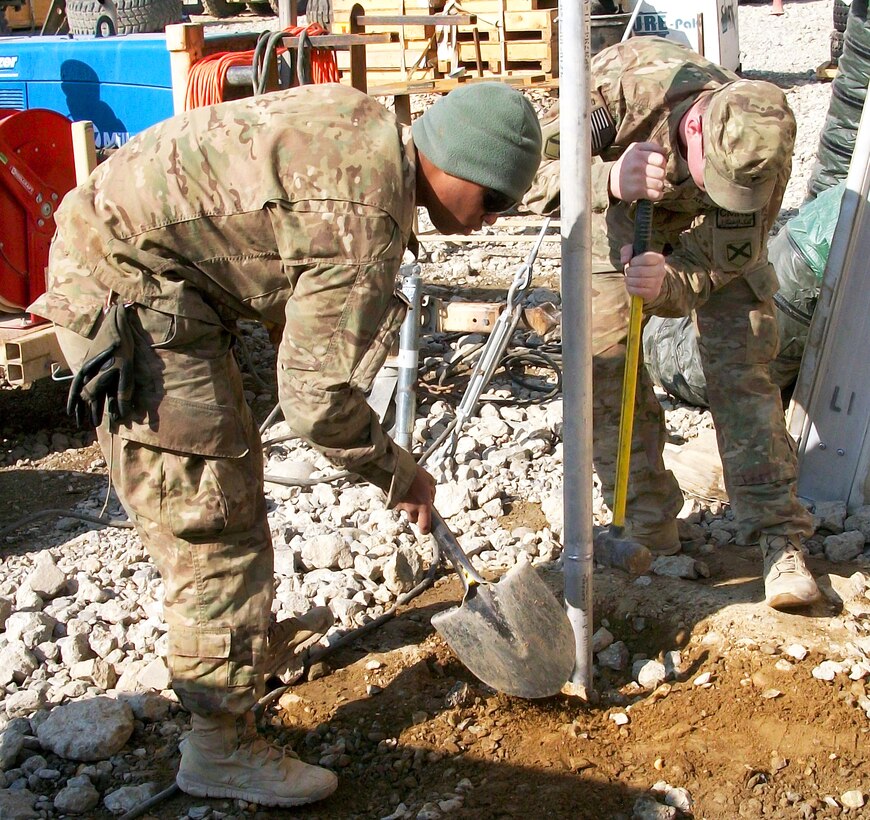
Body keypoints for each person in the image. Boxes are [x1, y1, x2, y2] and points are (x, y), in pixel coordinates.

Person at [31, 82, 542, 807]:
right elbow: (314, 404)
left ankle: (241, 641)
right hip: (127, 285)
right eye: (496, 202)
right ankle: (220, 745)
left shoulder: (371, 132)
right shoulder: (367, 220)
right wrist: (400, 475)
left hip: (155, 264)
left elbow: (272, 246)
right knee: (210, 519)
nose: (495, 222)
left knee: (231, 466)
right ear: (459, 164)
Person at [525, 37, 820, 611]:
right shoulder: (618, 92)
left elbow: (733, 247)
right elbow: (522, 172)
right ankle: (647, 530)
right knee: (604, 368)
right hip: (617, 217)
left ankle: (780, 537)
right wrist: (607, 177)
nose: (736, 196)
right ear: (694, 132)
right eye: (721, 180)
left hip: (705, 245)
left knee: (744, 368)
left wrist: (672, 284)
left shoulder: (763, 141)